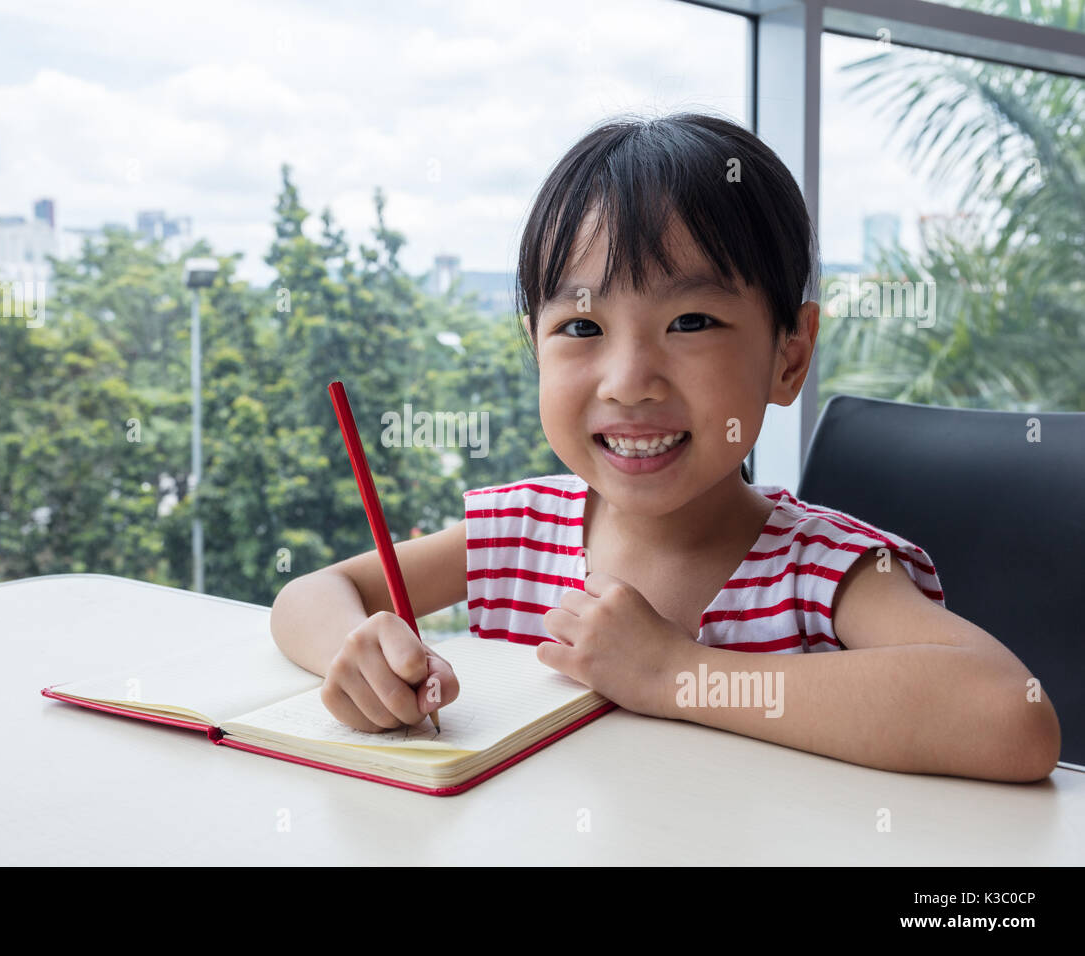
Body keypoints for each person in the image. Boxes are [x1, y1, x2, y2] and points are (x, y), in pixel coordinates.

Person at [270, 111, 1061, 782]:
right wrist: (362, 655)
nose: (628, 382)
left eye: (691, 322)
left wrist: (679, 674)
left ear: (789, 356)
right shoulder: (517, 532)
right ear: (534, 346)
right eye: (581, 326)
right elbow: (308, 596)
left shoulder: (821, 571)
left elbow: (1010, 717)